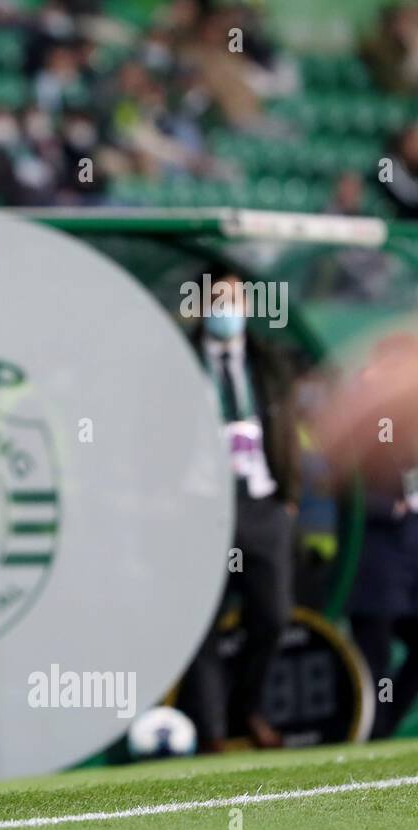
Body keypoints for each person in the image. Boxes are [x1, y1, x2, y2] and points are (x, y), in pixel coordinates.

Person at [178, 271, 301, 752]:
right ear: (201, 304)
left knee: (273, 616)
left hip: (260, 502)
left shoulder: (267, 363)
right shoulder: (177, 359)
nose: (226, 309)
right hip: (199, 505)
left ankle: (245, 707)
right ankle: (209, 731)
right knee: (200, 622)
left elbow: (288, 428)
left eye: (234, 299)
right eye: (217, 299)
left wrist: (288, 493)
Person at [342, 334, 418, 738]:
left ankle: (383, 728)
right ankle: (368, 733)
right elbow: (342, 478)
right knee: (373, 656)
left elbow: (412, 477)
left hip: (408, 557)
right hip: (371, 560)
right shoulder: (362, 415)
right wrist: (393, 507)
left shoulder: (408, 423)